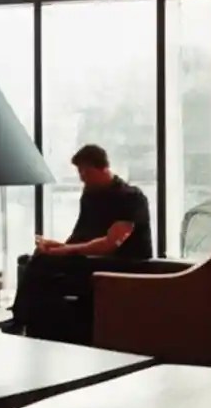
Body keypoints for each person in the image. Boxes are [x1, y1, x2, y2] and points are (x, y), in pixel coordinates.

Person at [9, 144, 153, 338]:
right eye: (80, 171)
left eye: (86, 171)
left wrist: (62, 252)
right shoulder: (89, 195)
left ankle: (19, 321)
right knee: (34, 260)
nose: (82, 176)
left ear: (103, 168)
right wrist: (55, 246)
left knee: (44, 264)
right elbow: (80, 237)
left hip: (124, 263)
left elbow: (111, 244)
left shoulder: (131, 198)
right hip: (95, 260)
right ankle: (36, 326)